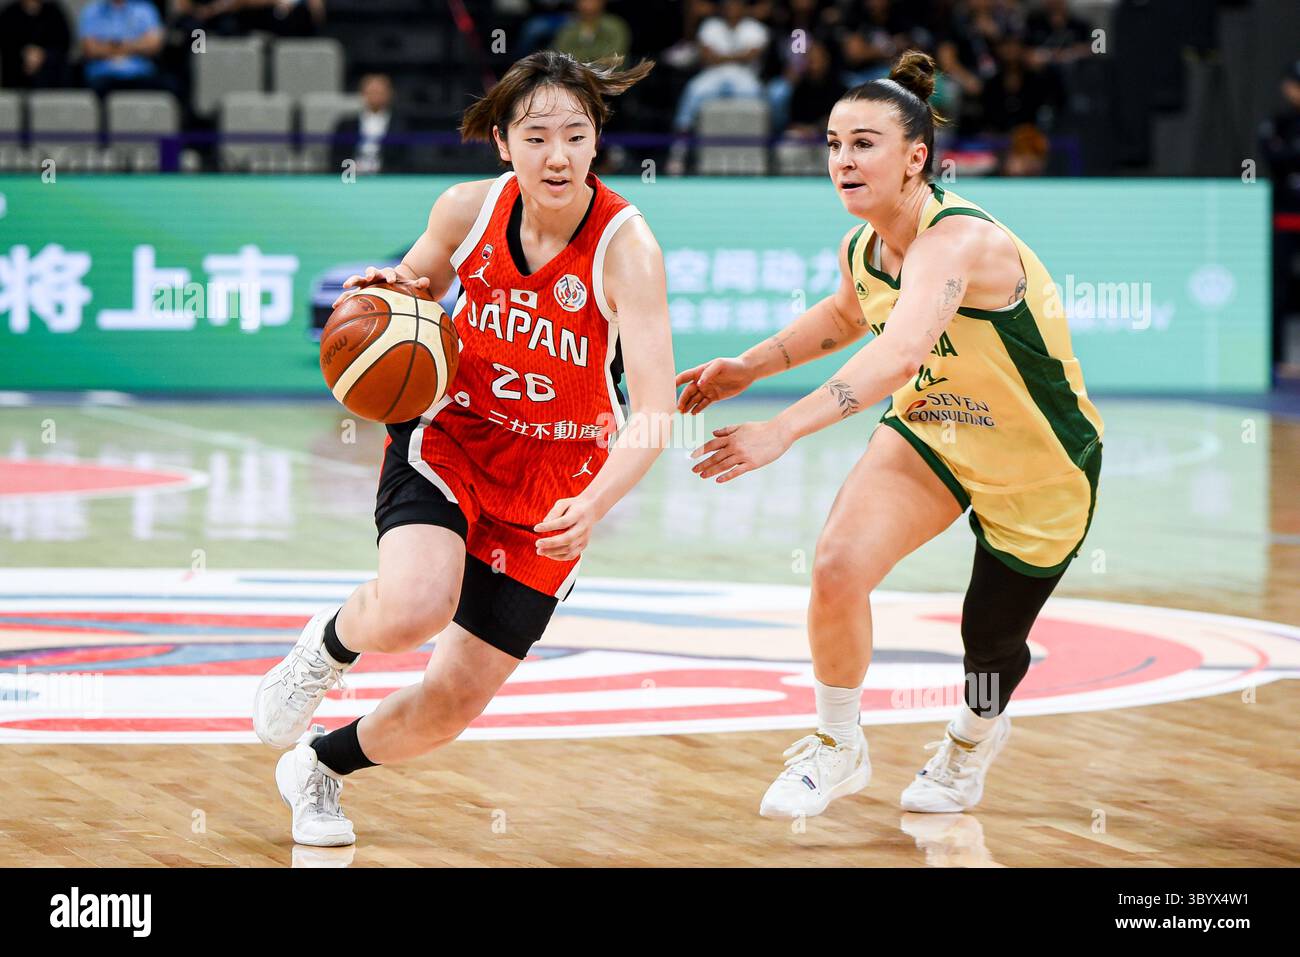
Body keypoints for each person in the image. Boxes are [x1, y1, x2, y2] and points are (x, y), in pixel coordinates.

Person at [254, 51, 676, 847]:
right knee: (416, 605)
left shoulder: (626, 248)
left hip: (557, 483)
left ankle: (319, 767)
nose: (558, 155)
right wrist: (389, 291)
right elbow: (414, 282)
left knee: (451, 704)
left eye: (576, 136)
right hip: (452, 437)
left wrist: (594, 503)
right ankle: (325, 649)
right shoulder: (465, 211)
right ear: (503, 144)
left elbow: (654, 409)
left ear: (596, 144)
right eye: (538, 135)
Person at [676, 50, 1103, 819]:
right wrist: (751, 364)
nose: (843, 159)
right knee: (837, 564)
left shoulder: (961, 239)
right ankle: (838, 746)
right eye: (834, 143)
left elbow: (900, 349)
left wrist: (782, 428)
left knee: (989, 646)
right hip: (931, 431)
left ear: (916, 157)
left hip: (1038, 463)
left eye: (864, 143)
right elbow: (847, 316)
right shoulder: (863, 246)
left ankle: (970, 741)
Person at [78, 0, 166, 96]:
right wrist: (134, 45)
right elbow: (90, 49)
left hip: (140, 74)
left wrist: (110, 46)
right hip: (102, 75)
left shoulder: (145, 10)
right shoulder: (92, 11)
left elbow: (153, 45)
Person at [329, 73, 410, 175]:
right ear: (362, 94)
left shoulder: (402, 125)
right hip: (352, 178)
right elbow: (336, 157)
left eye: (380, 92)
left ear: (389, 94)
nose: (375, 96)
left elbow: (404, 159)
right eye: (371, 92)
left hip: (387, 179)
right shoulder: (346, 124)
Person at [0, 0, 71, 89]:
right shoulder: (9, 13)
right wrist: (25, 54)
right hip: (17, 71)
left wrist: (43, 55)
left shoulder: (54, 12)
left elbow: (64, 44)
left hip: (50, 74)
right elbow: (6, 44)